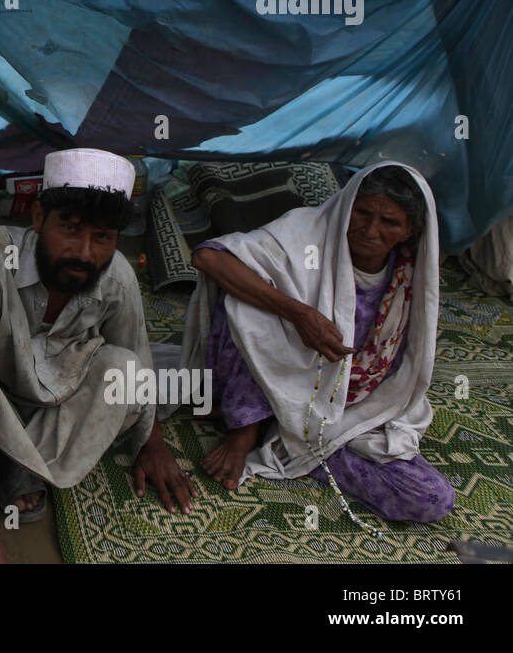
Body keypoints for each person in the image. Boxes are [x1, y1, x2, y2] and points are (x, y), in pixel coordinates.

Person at [0, 148, 194, 561]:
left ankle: (13, 458)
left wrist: (152, 443)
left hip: (41, 387)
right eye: (70, 228)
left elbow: (136, 356)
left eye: (102, 237)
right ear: (38, 219)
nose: (85, 253)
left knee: (122, 371)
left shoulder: (115, 276)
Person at [184, 162, 454, 524]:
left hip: (349, 404)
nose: (370, 230)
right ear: (348, 205)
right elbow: (208, 257)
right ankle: (248, 425)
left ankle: (293, 438)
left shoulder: (411, 272)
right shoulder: (307, 231)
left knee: (432, 499)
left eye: (389, 222)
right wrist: (299, 315)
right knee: (248, 305)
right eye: (363, 213)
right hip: (268, 375)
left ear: (410, 230)